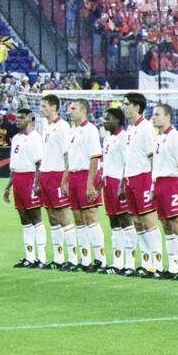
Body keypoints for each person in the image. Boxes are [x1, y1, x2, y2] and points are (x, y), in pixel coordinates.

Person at [121, 92, 164, 276]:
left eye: (126, 104)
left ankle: (158, 264)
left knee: (148, 220)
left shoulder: (147, 128)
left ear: (137, 106)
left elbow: (152, 156)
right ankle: (147, 263)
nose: (124, 107)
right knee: (137, 221)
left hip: (144, 178)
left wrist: (153, 182)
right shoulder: (130, 129)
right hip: (130, 178)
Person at [36, 93, 76, 269]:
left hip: (57, 175)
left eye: (44, 105)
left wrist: (65, 179)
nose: (41, 108)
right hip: (46, 175)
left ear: (54, 107)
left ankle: (73, 259)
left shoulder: (63, 126)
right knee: (52, 217)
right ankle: (59, 259)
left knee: (63, 215)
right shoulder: (46, 126)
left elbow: (67, 153)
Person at [150, 103, 178, 279]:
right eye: (153, 114)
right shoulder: (157, 137)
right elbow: (156, 166)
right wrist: (153, 187)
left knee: (177, 224)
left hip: (172, 182)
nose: (153, 117)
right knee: (166, 226)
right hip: (159, 184)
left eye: (157, 114)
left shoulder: (175, 137)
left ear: (167, 117)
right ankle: (174, 267)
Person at [64, 98, 104, 271]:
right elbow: (69, 159)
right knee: (79, 218)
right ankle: (86, 260)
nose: (69, 111)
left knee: (90, 216)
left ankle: (100, 260)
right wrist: (65, 179)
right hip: (73, 176)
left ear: (83, 111)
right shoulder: (72, 131)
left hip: (86, 176)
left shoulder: (91, 130)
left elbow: (94, 157)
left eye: (73, 108)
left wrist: (90, 185)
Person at [2, 107, 44, 267]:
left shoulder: (35, 138)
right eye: (17, 117)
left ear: (30, 119)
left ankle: (41, 259)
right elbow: (14, 167)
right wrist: (8, 187)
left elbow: (39, 162)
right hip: (18, 180)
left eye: (21, 117)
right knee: (24, 218)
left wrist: (36, 183)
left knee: (35, 217)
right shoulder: (16, 138)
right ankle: (29, 257)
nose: (17, 120)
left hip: (30, 178)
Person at [99, 105, 135, 274]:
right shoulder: (107, 139)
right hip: (108, 183)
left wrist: (122, 184)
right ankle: (118, 263)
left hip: (119, 182)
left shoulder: (124, 138)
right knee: (114, 222)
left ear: (117, 120)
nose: (104, 122)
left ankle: (130, 263)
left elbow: (127, 163)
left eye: (108, 119)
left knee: (126, 221)